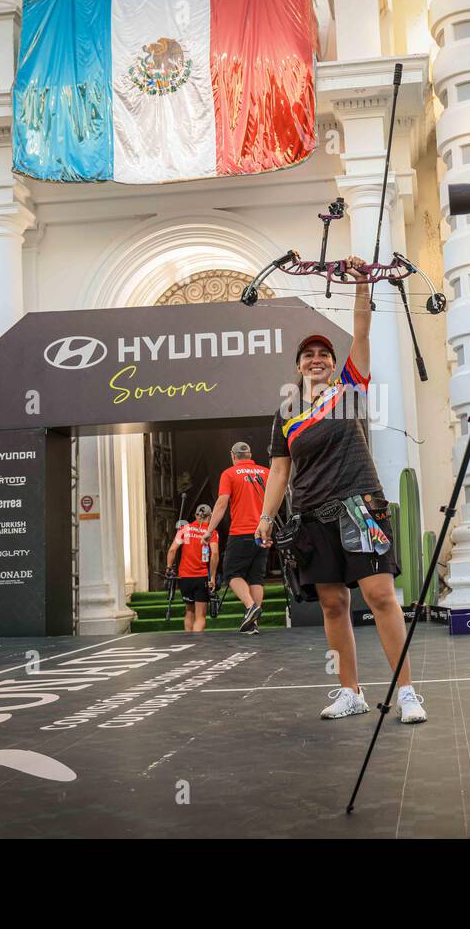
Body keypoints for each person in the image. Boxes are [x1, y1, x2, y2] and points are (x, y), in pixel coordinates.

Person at [256, 256, 426, 724]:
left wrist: (361, 285)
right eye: (308, 355)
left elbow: (363, 329)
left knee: (381, 597)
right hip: (311, 515)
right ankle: (349, 691)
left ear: (333, 364)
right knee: (333, 603)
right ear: (298, 366)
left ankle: (407, 691)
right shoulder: (287, 413)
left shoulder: (348, 389)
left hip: (359, 507)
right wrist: (267, 517)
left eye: (324, 354)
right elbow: (278, 471)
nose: (317, 359)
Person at [205, 441, 270, 634]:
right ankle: (253, 624)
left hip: (241, 532)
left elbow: (222, 503)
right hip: (263, 532)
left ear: (233, 456)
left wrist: (209, 530)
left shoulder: (229, 474)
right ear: (250, 455)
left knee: (232, 574)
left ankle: (251, 607)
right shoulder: (266, 473)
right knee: (256, 577)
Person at [167, 504, 219, 633]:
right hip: (201, 577)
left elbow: (172, 550)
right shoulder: (211, 532)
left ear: (195, 515)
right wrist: (212, 577)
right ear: (210, 516)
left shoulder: (184, 529)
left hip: (184, 577)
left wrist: (169, 568)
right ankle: (196, 642)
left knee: (189, 611)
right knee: (200, 615)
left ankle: (188, 641)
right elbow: (215, 554)